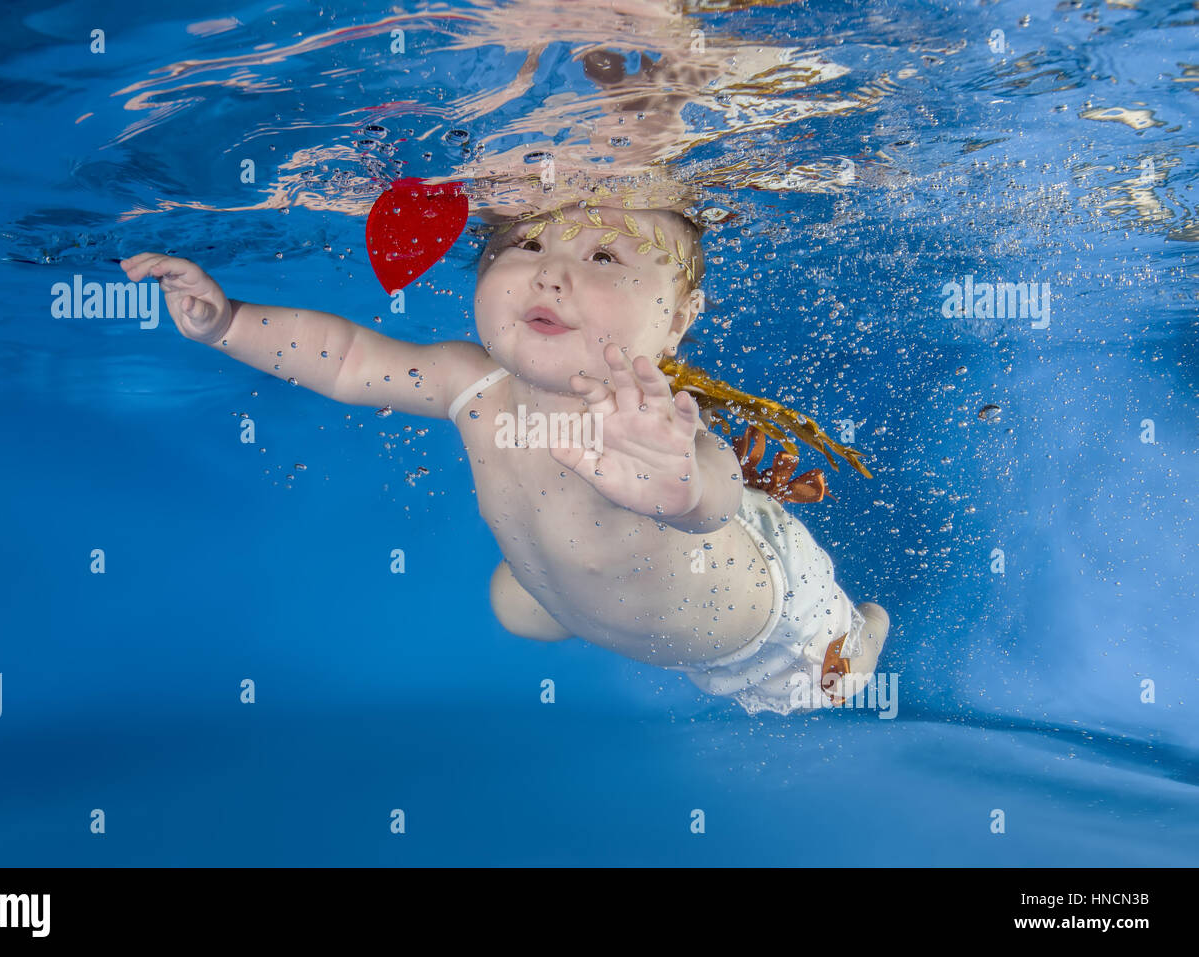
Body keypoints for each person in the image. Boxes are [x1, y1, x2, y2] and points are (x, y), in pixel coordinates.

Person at [119, 195, 890, 716]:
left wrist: (681, 484)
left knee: (834, 682)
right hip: (588, 602)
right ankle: (567, 602)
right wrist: (227, 323)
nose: (551, 271)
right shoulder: (471, 381)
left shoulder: (644, 421)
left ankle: (865, 630)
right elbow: (347, 360)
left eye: (605, 259)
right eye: (524, 245)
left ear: (679, 319)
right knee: (514, 601)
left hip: (760, 623)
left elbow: (716, 491)